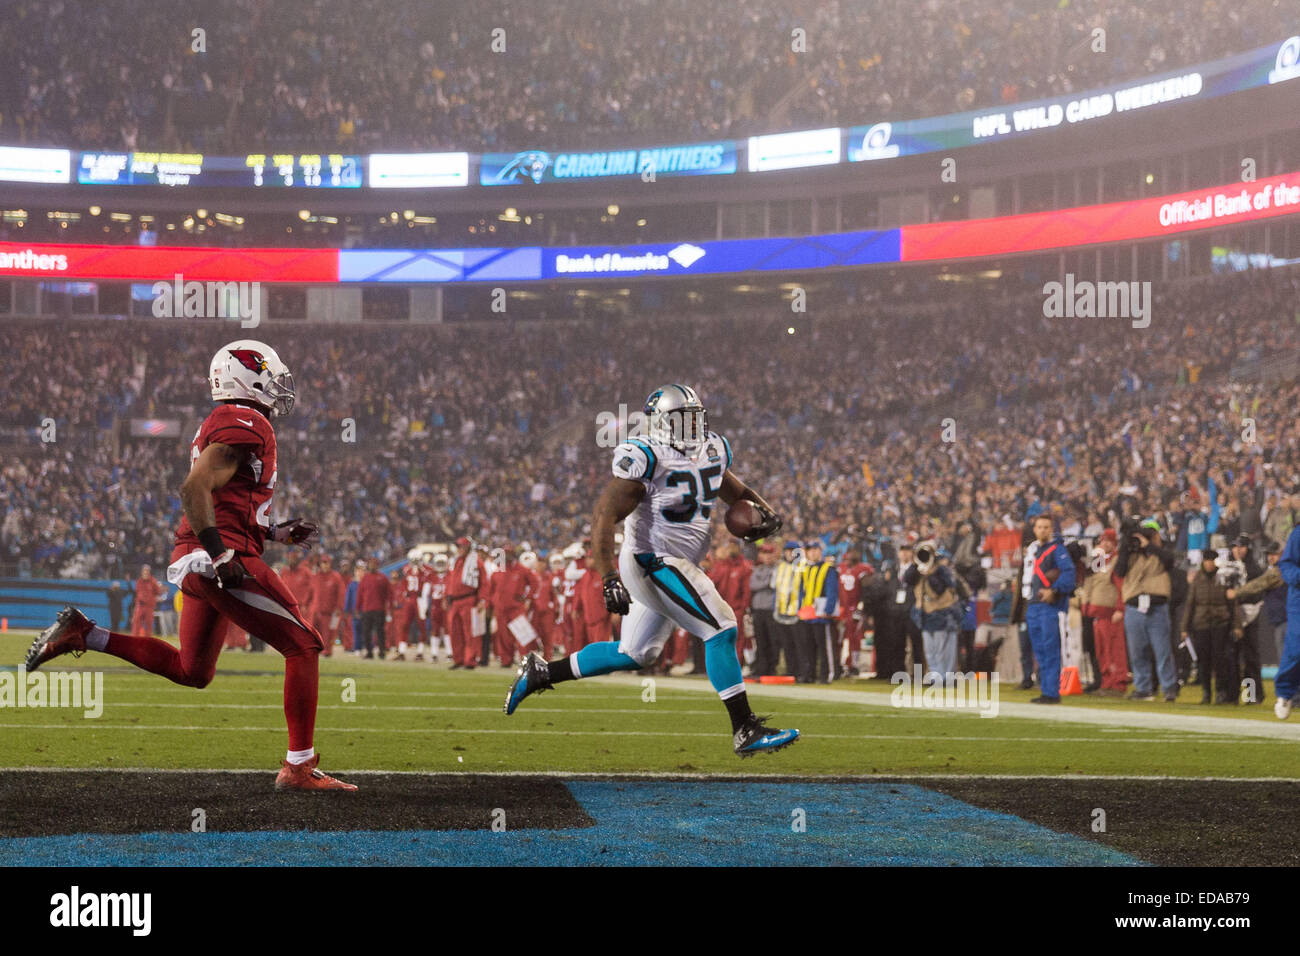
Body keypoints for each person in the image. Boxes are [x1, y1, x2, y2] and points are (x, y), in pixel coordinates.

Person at [25, 340, 354, 790]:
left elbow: (226, 498)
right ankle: (298, 768)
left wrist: (275, 531)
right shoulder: (247, 420)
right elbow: (194, 489)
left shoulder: (227, 424)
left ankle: (86, 634)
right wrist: (222, 555)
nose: (279, 387)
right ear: (247, 377)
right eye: (272, 376)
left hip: (199, 557)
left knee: (192, 671)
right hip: (219, 559)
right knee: (304, 645)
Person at [504, 384, 797, 756]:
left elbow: (736, 491)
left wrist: (766, 513)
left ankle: (543, 672)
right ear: (660, 423)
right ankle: (745, 729)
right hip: (650, 558)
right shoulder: (646, 455)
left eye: (696, 418)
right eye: (682, 419)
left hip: (676, 561)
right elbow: (605, 516)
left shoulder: (713, 448)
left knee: (636, 653)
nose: (692, 426)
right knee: (721, 627)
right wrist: (608, 576)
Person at [1117, 516, 1179, 702]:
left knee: (1163, 651)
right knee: (1137, 652)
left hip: (1157, 607)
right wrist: (1127, 547)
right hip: (1134, 607)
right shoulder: (1129, 552)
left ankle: (1169, 688)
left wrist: (1149, 546)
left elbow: (1170, 560)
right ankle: (1143, 688)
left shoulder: (1161, 552)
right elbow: (1119, 571)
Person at [1018, 515, 1076, 703]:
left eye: (1046, 527)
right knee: (1040, 650)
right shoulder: (1033, 551)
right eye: (1039, 527)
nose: (1042, 530)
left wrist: (1055, 589)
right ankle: (1045, 689)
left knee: (1051, 649)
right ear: (1034, 529)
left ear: (1051, 529)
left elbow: (1069, 574)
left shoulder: (1058, 550)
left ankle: (1052, 692)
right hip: (1033, 605)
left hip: (1050, 607)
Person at [904, 541, 966, 684]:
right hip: (925, 615)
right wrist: (915, 564)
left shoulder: (942, 570)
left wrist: (932, 573)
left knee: (943, 649)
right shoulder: (918, 570)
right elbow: (908, 579)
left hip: (943, 614)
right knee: (930, 649)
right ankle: (936, 675)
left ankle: (946, 677)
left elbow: (940, 589)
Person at [1181, 551, 1237, 704]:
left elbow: (1232, 604)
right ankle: (1206, 693)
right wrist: (1184, 627)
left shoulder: (1223, 578)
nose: (1209, 563)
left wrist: (1236, 625)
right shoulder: (1197, 580)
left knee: (1220, 660)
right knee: (1203, 661)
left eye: (1211, 560)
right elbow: (1190, 604)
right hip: (1202, 624)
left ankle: (1220, 692)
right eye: (1207, 560)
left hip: (1220, 623)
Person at [1077, 529, 1127, 696]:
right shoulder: (1099, 561)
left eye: (1109, 541)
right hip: (1096, 613)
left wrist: (1120, 608)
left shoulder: (1116, 560)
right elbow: (1089, 582)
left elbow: (1121, 586)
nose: (1105, 544)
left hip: (1110, 612)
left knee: (1114, 650)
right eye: (1103, 541)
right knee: (1101, 651)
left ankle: (1118, 684)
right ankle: (1106, 683)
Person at [797, 540, 840, 683]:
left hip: (821, 614)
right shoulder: (805, 569)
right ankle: (809, 674)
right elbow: (801, 591)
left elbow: (832, 591)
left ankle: (826, 674)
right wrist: (800, 608)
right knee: (808, 646)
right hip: (808, 613)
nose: (813, 552)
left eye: (816, 549)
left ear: (821, 552)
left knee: (824, 647)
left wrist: (828, 610)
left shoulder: (828, 569)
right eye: (810, 550)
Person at [1271, 525, 1300, 720]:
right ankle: (1285, 693)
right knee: (1296, 648)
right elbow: (1287, 564)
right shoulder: (1298, 534)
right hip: (1299, 599)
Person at [446, 536, 483, 670]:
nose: (459, 549)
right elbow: (449, 580)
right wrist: (447, 596)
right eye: (458, 546)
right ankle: (458, 659)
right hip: (454, 601)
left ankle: (469, 660)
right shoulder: (454, 562)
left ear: (468, 548)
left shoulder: (476, 562)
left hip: (469, 599)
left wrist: (482, 599)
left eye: (461, 546)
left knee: (469, 632)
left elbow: (484, 582)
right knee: (454, 631)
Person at [748, 542, 779, 677]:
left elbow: (775, 584)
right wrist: (767, 582)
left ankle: (771, 668)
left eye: (769, 553)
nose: (767, 556)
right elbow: (752, 585)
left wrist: (764, 583)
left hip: (771, 608)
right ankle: (761, 667)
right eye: (764, 553)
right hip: (758, 609)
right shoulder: (758, 569)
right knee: (760, 640)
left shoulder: (778, 568)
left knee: (773, 640)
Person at [311, 554, 346, 657]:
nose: (325, 565)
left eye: (327, 563)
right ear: (320, 564)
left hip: (330, 612)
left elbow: (341, 593)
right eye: (323, 563)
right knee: (314, 632)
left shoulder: (336, 577)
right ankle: (315, 650)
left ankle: (327, 651)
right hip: (316, 610)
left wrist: (339, 607)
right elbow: (311, 592)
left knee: (328, 633)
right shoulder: (316, 577)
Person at [356, 558, 390, 660]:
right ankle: (369, 652)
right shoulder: (365, 578)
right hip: (367, 609)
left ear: (377, 565)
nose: (372, 566)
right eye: (370, 564)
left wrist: (388, 607)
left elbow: (388, 593)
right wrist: (357, 608)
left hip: (379, 609)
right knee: (367, 632)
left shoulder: (383, 578)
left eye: (374, 564)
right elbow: (360, 594)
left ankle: (382, 652)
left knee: (380, 632)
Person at [131, 565, 163, 637]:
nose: (145, 572)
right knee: (136, 623)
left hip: (149, 606)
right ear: (142, 572)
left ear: (149, 572)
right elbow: (137, 592)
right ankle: (134, 638)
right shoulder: (139, 581)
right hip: (140, 605)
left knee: (149, 624)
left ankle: (148, 639)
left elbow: (158, 592)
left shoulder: (153, 581)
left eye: (147, 571)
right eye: (144, 571)